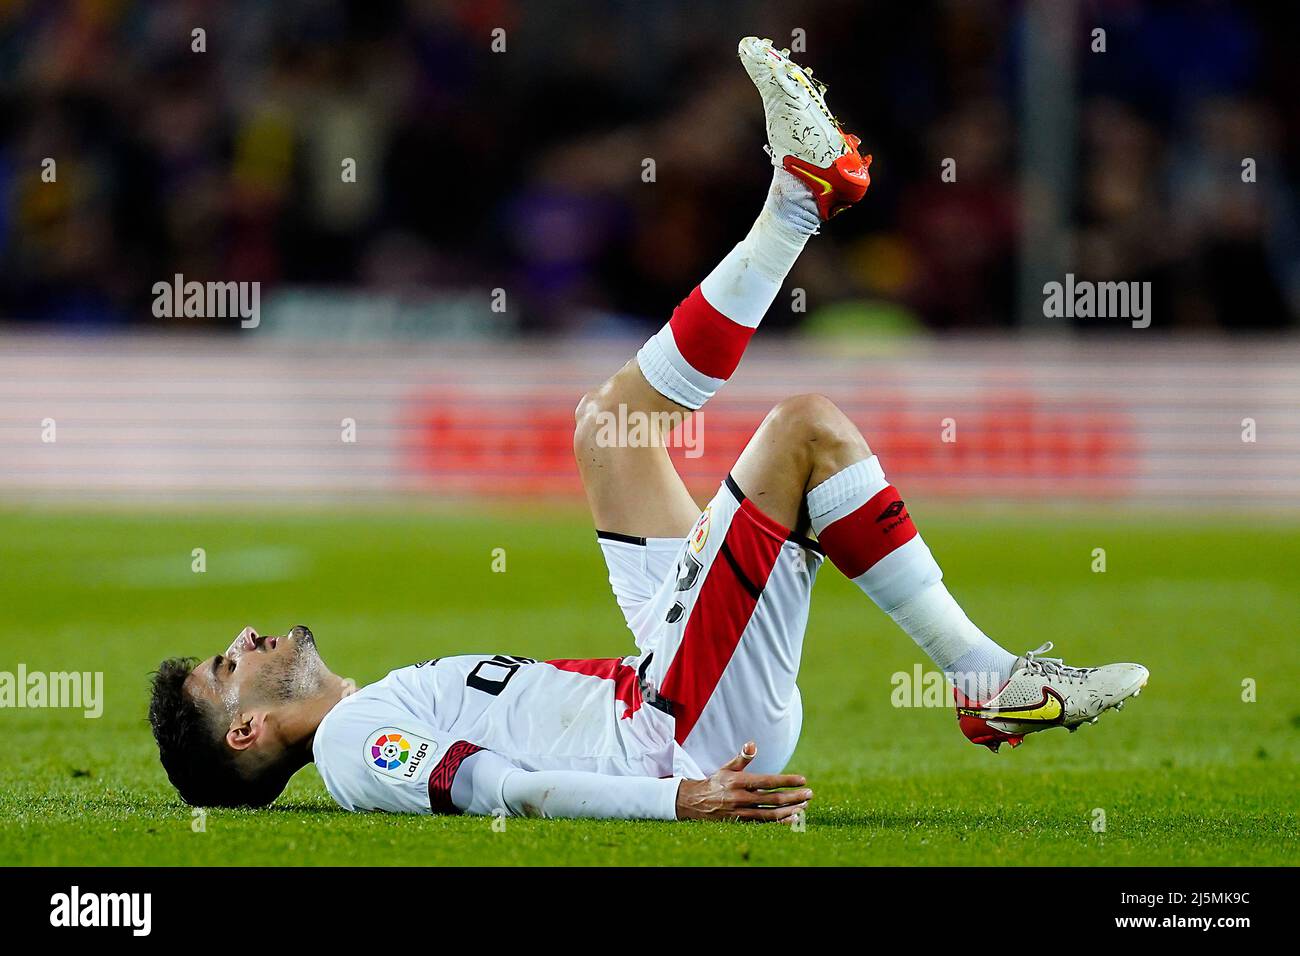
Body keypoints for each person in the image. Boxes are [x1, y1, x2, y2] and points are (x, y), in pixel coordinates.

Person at [149, 38, 1147, 821]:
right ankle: (983, 679)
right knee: (802, 431)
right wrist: (675, 798)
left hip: (660, 691)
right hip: (680, 732)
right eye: (226, 664)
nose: (244, 637)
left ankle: (798, 195)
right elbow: (500, 789)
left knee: (614, 430)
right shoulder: (350, 746)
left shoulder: (371, 710)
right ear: (247, 731)